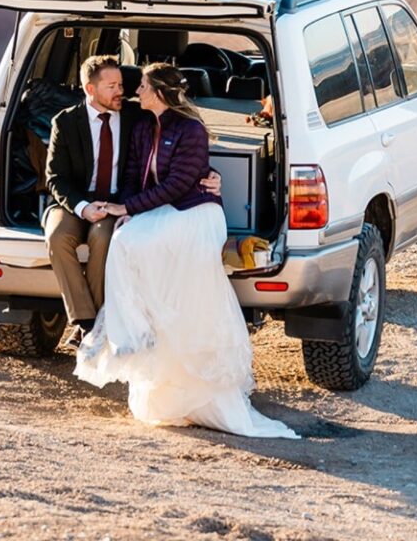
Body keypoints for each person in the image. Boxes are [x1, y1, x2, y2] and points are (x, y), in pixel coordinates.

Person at [74, 62, 297, 439]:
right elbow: (131, 176)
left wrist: (128, 209)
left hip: (195, 212)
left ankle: (133, 336)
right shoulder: (144, 125)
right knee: (125, 240)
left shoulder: (191, 130)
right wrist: (126, 208)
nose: (135, 91)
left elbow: (178, 185)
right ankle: (135, 337)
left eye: (142, 86)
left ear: (160, 93)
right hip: (159, 211)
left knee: (136, 245)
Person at [44, 55, 220, 346]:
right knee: (57, 236)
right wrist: (82, 208)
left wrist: (212, 173)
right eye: (111, 86)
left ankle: (98, 324)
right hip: (73, 202)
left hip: (116, 200)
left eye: (122, 85)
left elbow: (180, 145)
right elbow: (55, 177)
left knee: (105, 239)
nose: (121, 92)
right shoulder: (64, 122)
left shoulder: (136, 117)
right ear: (90, 89)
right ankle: (86, 321)